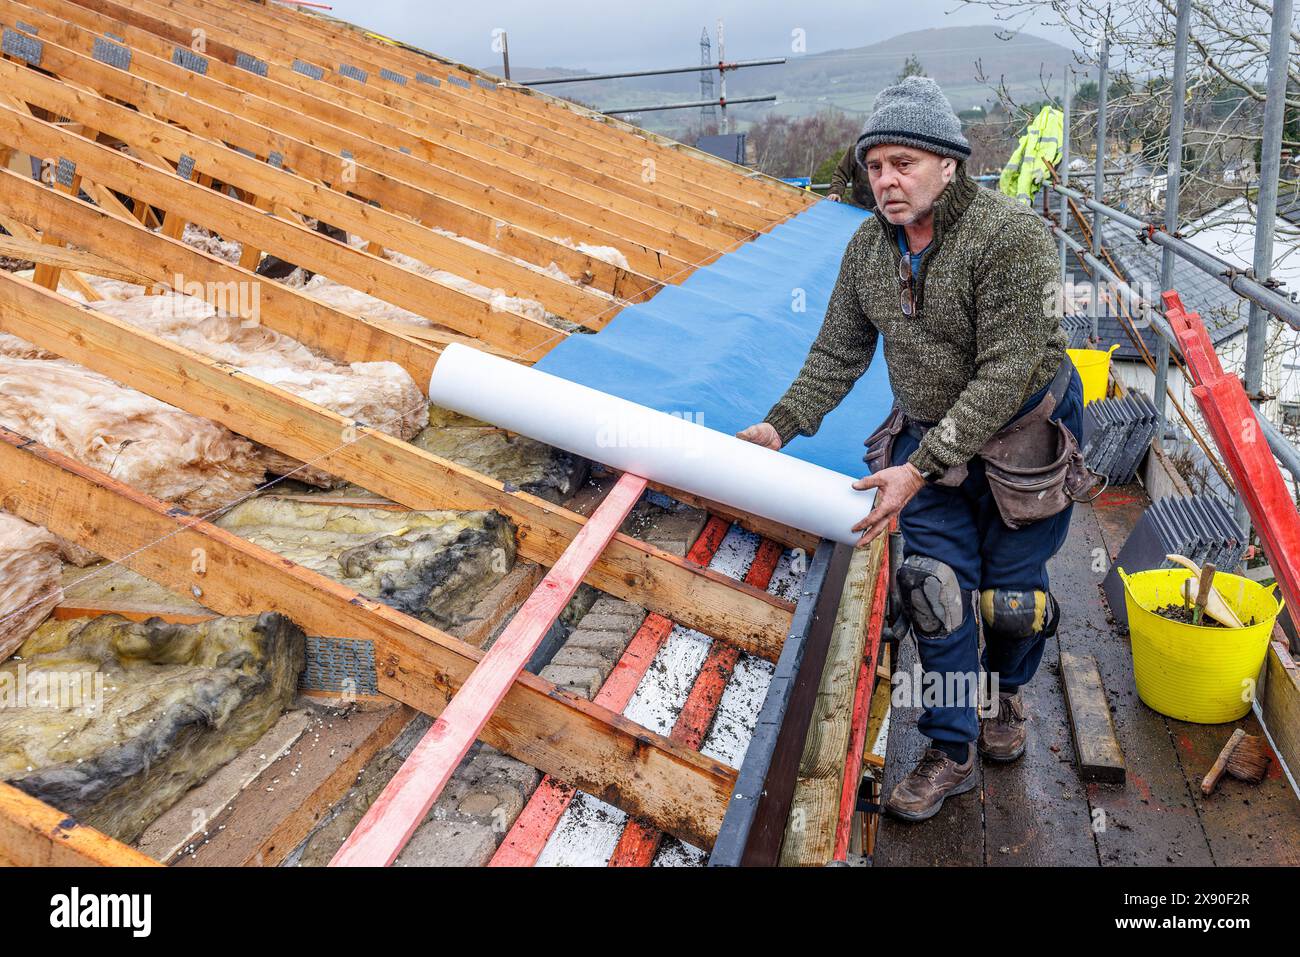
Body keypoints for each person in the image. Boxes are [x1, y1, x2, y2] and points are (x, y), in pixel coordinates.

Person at [737, 76, 1094, 823]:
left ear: (949, 164)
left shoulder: (1009, 237)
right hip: (929, 441)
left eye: (904, 162)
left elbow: (1004, 373)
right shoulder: (868, 250)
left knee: (1012, 604)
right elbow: (837, 354)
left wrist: (920, 465)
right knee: (933, 591)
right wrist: (779, 426)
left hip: (1022, 440)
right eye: (875, 166)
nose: (887, 180)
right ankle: (950, 746)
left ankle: (1009, 696)